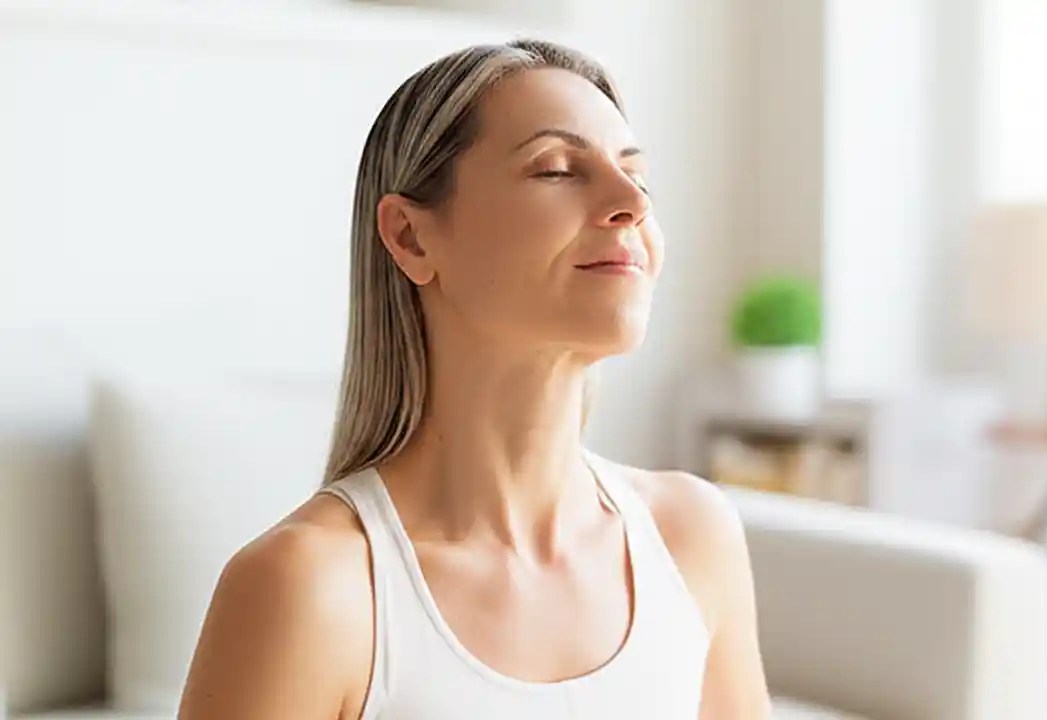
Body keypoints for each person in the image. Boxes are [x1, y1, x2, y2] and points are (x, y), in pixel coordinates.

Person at [178, 38, 771, 719]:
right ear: (410, 238)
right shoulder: (311, 589)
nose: (630, 202)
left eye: (637, 175)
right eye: (556, 170)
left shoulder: (692, 536)